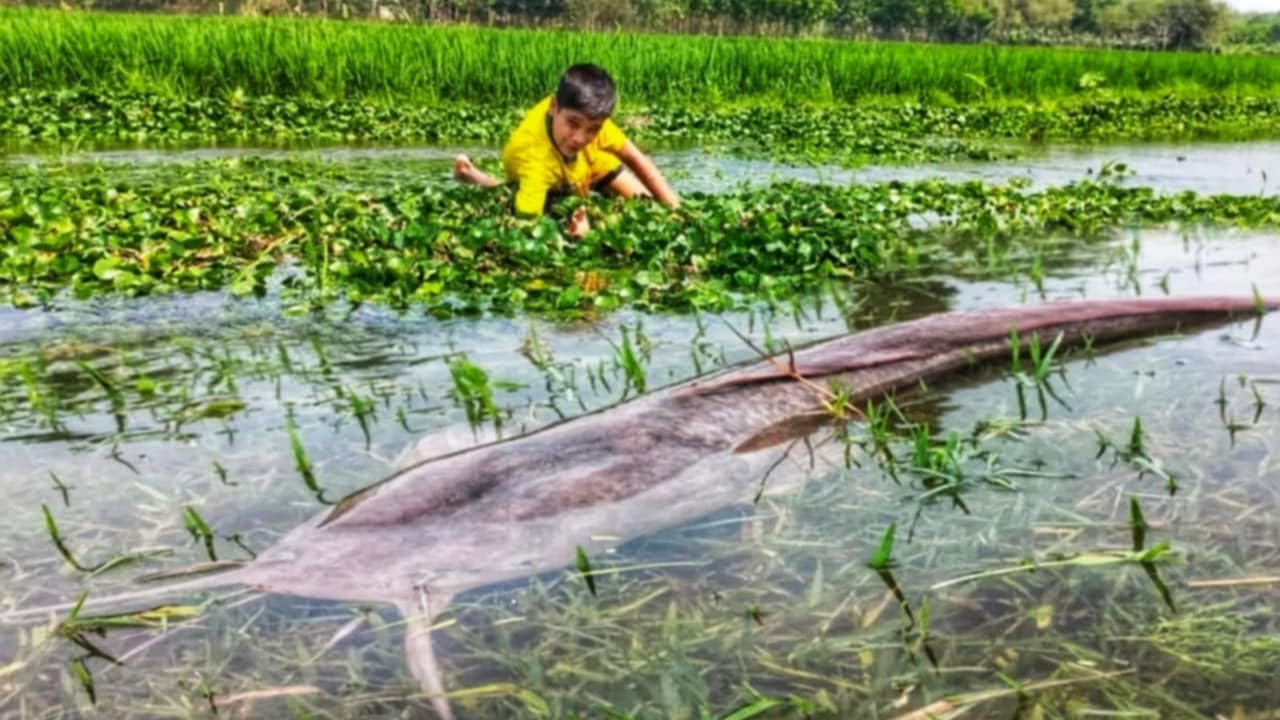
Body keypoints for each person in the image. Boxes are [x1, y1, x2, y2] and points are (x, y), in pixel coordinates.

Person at [453, 64, 680, 238]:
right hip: (545, 173)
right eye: (572, 123)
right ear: (554, 107)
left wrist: (677, 214)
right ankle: (478, 178)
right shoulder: (536, 161)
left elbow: (638, 160)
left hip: (589, 162)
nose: (580, 137)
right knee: (551, 202)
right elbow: (527, 228)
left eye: (592, 129)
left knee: (647, 206)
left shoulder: (593, 123)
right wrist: (574, 236)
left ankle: (470, 173)